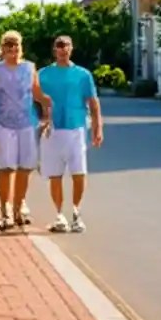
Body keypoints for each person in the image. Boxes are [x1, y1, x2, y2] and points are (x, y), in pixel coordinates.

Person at [0, 31, 52, 230]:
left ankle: (19, 205)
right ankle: (5, 210)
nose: (13, 51)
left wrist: (48, 103)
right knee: (6, 167)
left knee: (25, 166)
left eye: (16, 47)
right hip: (4, 123)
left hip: (27, 123)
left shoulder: (29, 68)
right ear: (3, 49)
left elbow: (36, 92)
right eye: (8, 47)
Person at [36, 35, 103, 233]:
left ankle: (76, 212)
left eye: (66, 46)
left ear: (71, 49)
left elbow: (93, 102)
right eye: (59, 46)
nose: (63, 49)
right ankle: (59, 215)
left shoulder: (83, 75)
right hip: (52, 130)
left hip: (76, 128)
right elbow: (33, 99)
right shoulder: (43, 74)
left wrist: (98, 127)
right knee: (55, 174)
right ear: (54, 50)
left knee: (78, 172)